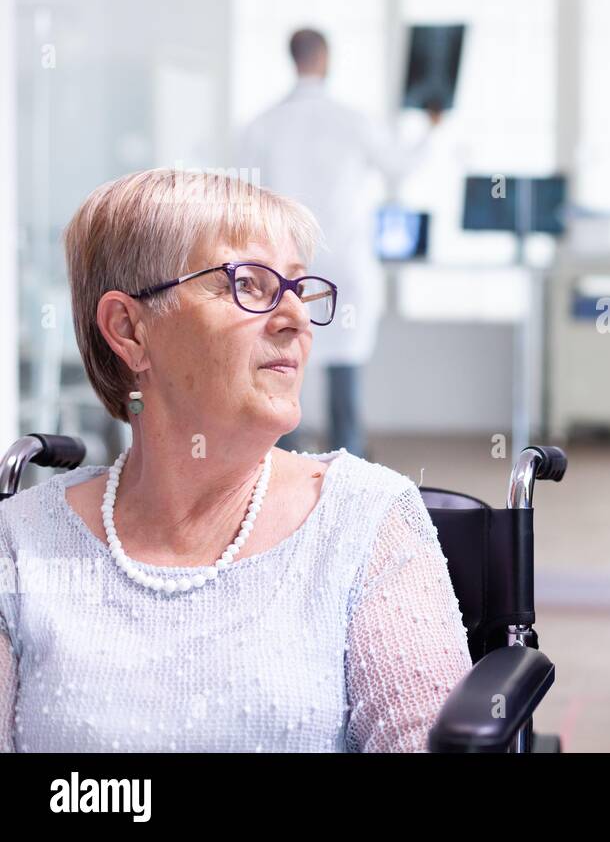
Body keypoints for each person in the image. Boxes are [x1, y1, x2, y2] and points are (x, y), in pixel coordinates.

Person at [0, 168, 471, 752]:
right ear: (130, 330)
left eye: (299, 288)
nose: (296, 318)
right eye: (249, 284)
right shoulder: (22, 542)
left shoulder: (367, 522)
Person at [238, 28, 440, 459]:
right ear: (326, 59)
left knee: (280, 370)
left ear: (291, 59)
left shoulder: (262, 125)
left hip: (286, 272)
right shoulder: (353, 120)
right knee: (344, 374)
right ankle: (349, 473)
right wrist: (431, 127)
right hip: (345, 265)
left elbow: (243, 199)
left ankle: (282, 466)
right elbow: (400, 168)